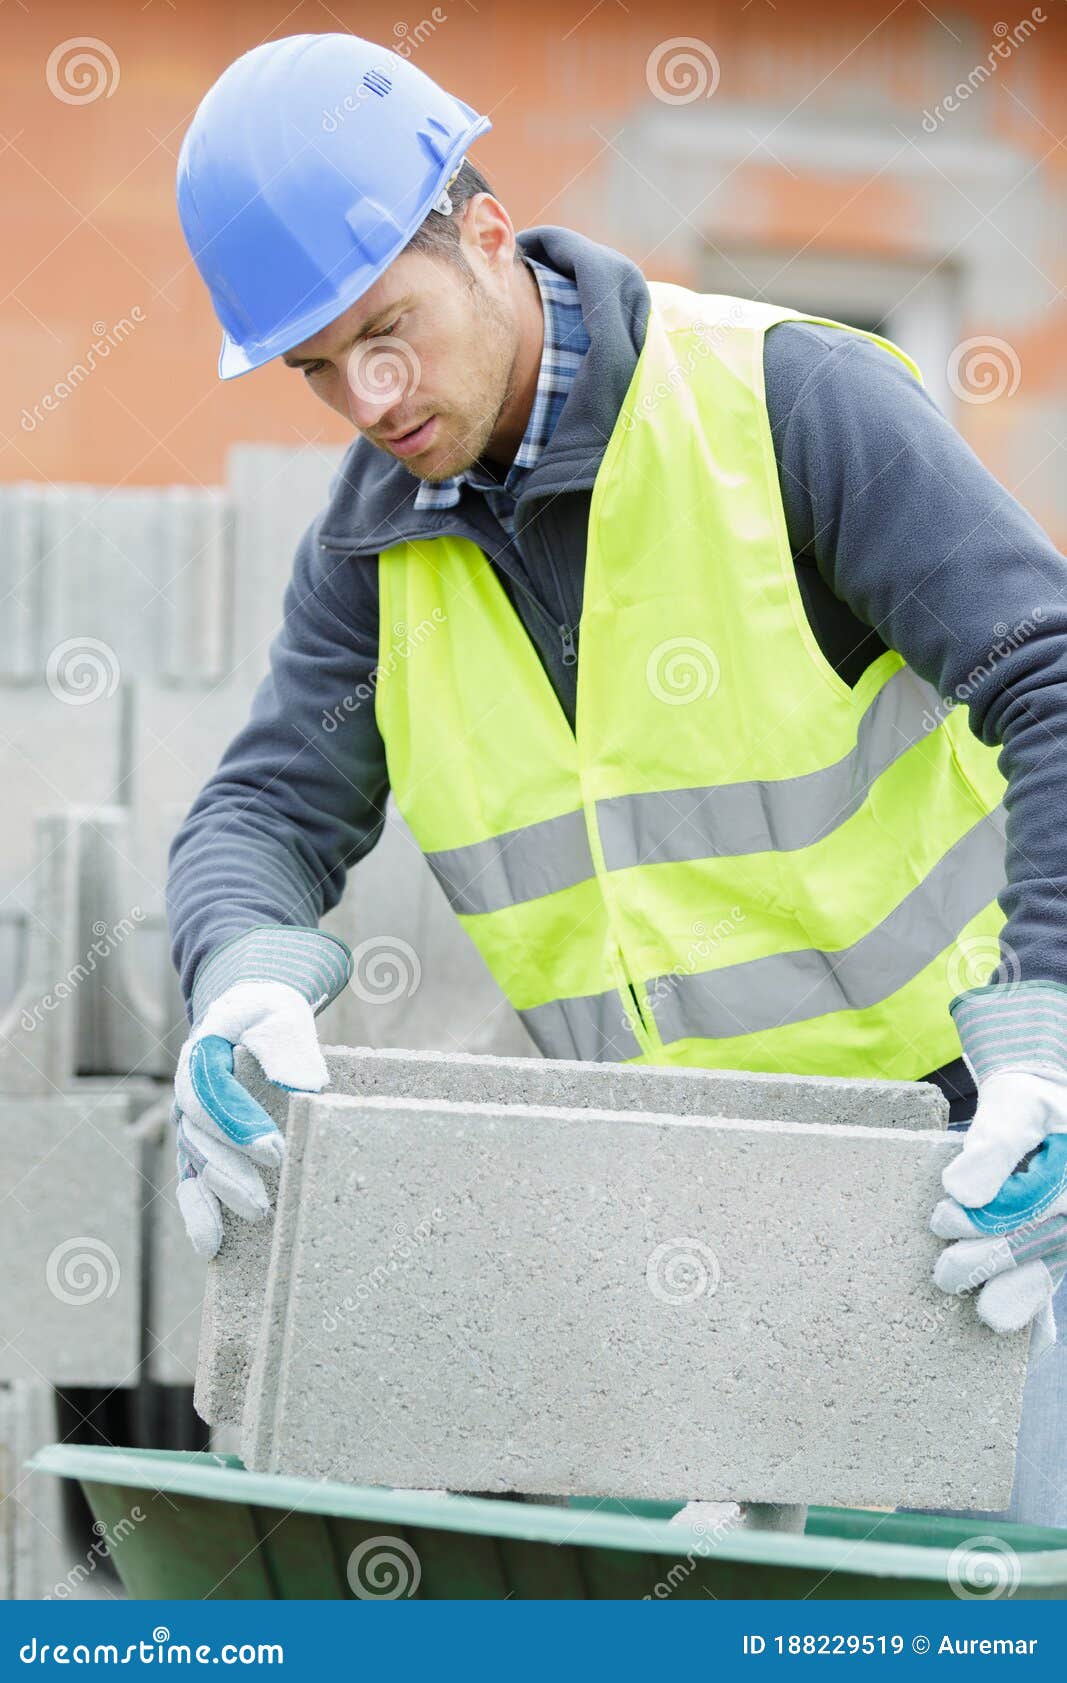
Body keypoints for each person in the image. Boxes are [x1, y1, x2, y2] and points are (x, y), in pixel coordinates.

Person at [168, 33, 1067, 1522]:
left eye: (385, 326)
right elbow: (260, 811)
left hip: (993, 1174)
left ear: (486, 236)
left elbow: (1051, 674)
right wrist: (242, 979)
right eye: (317, 367)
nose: (369, 394)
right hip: (692, 1232)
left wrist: (1050, 1043)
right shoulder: (374, 548)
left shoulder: (791, 409)